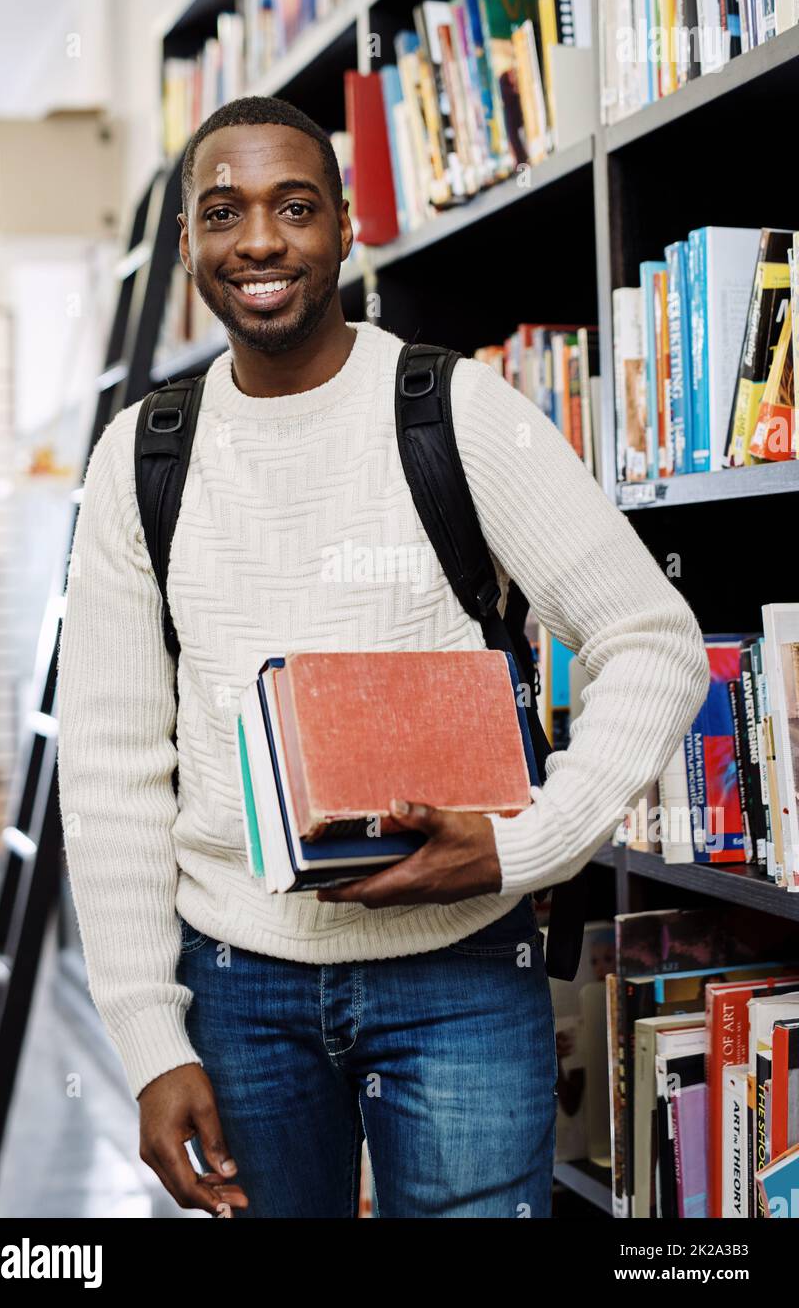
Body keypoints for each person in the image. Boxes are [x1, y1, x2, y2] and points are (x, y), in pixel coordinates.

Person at [56, 95, 711, 1219]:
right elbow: (112, 767)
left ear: (346, 228)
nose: (258, 240)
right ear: (187, 248)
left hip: (458, 971)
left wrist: (531, 844)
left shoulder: (454, 410)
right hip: (234, 982)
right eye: (223, 212)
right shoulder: (141, 456)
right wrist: (146, 1038)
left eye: (293, 206)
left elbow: (650, 639)